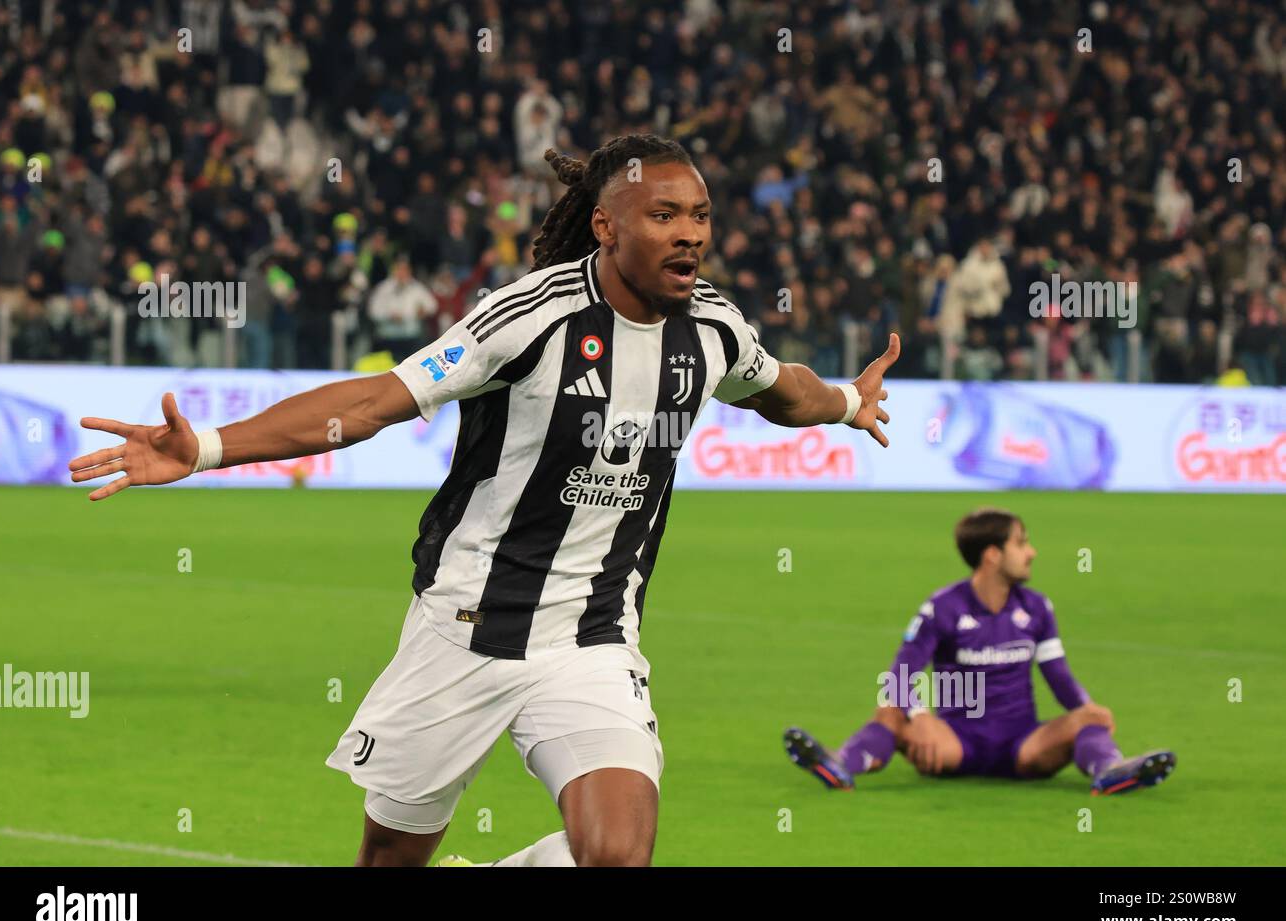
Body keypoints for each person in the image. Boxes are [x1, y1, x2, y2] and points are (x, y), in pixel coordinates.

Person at [68, 134, 899, 867]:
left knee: (617, 854)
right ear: (606, 226)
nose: (691, 233)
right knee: (390, 860)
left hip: (592, 638)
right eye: (664, 215)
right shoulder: (527, 317)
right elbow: (371, 403)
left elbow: (779, 389)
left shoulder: (713, 327)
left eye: (702, 215)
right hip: (464, 628)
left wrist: (847, 403)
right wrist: (208, 446)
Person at [785, 508, 1176, 796]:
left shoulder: (1037, 607)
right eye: (1021, 543)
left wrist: (1088, 708)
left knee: (1083, 721)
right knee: (890, 710)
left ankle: (1110, 770)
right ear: (992, 555)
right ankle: (841, 765)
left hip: (1024, 747)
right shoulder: (943, 606)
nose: (1032, 552)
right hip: (954, 744)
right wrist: (919, 716)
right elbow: (901, 673)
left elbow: (1059, 676)